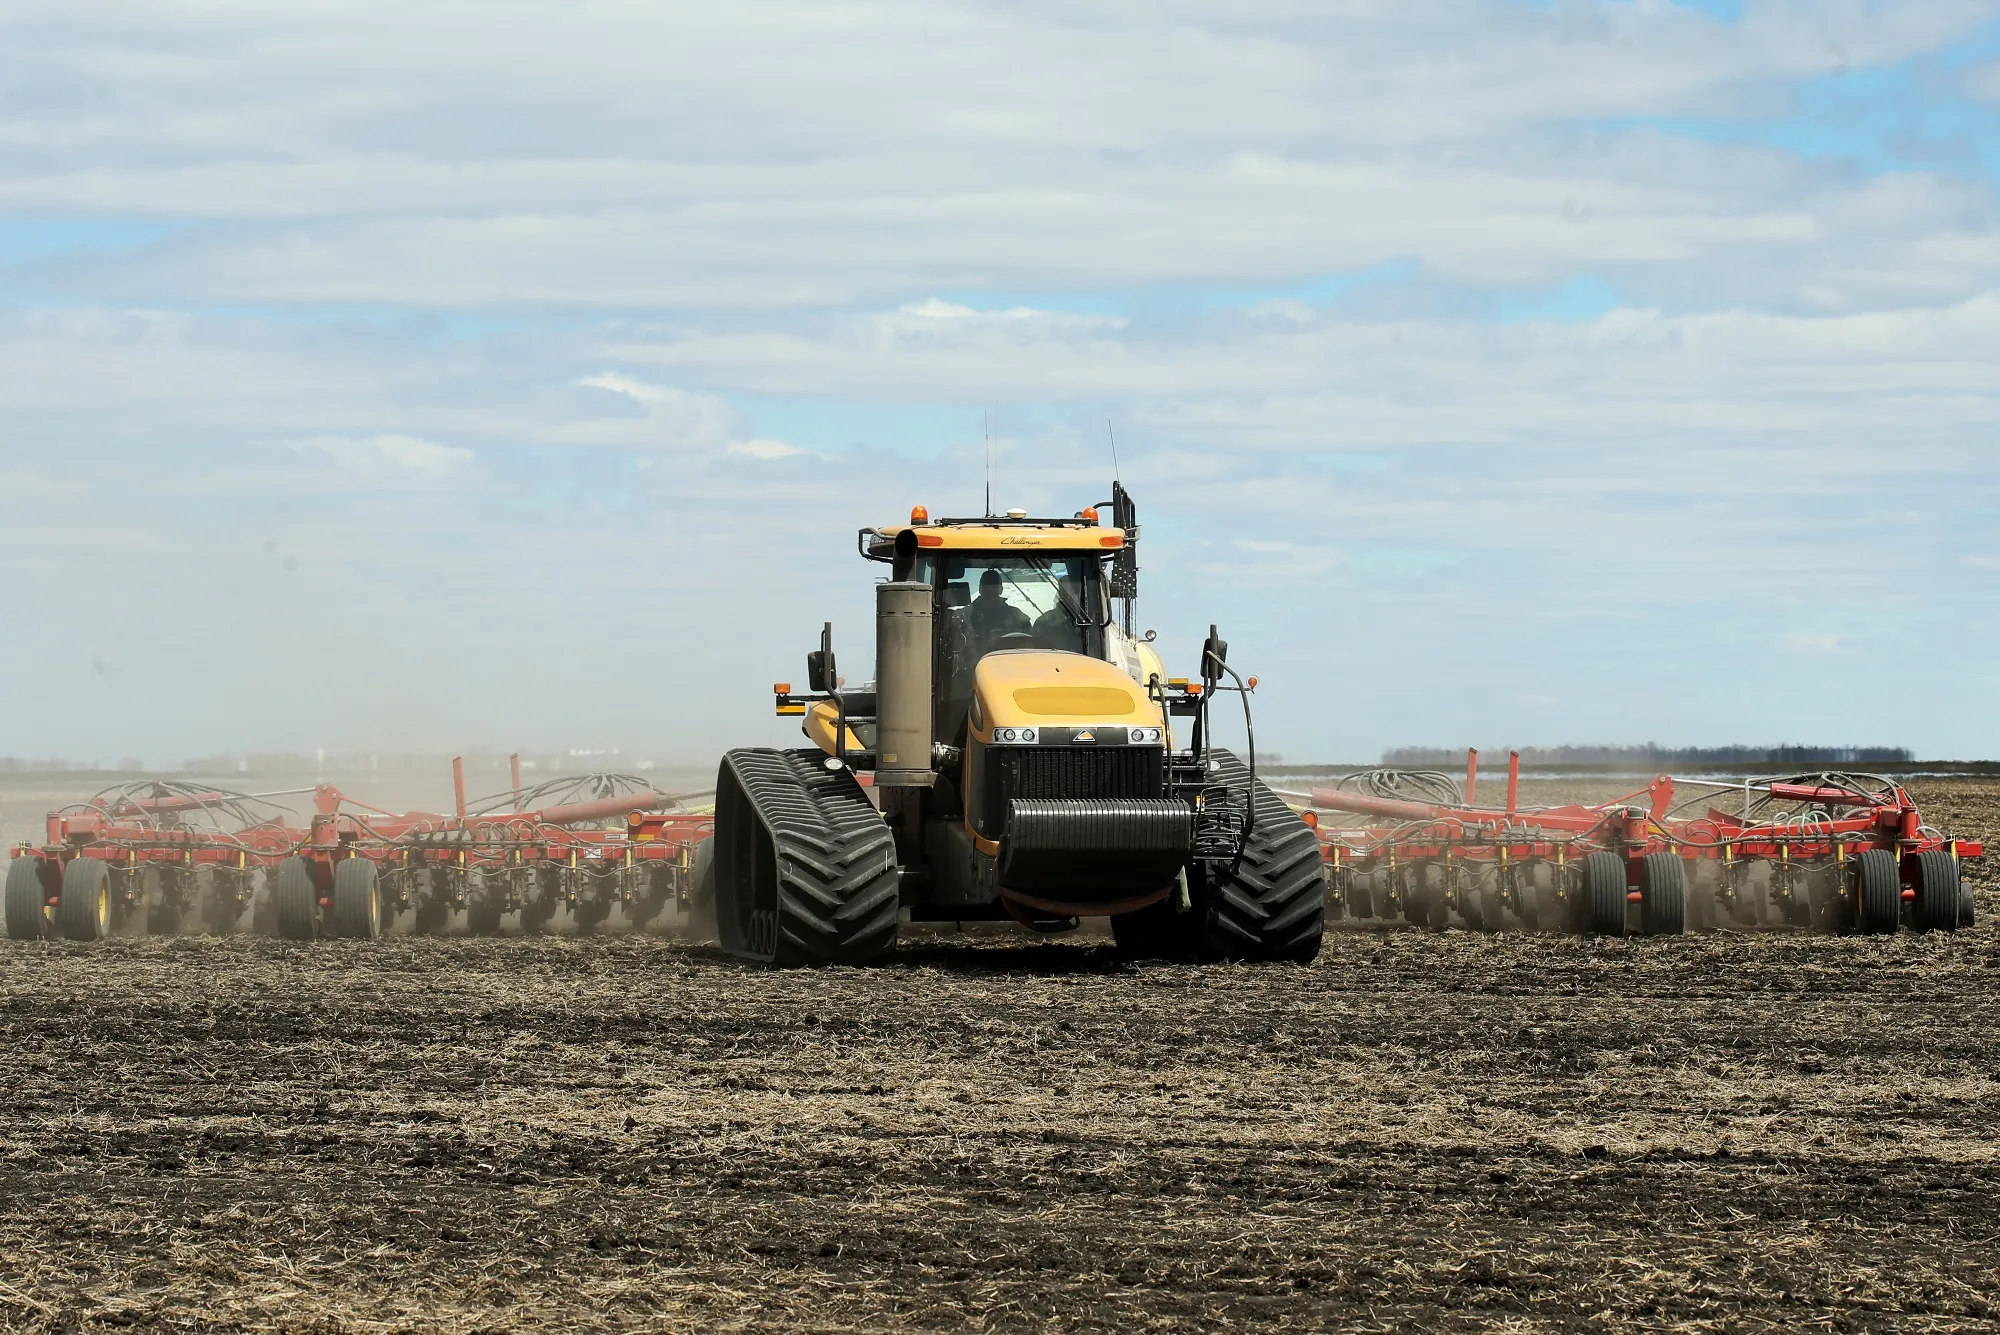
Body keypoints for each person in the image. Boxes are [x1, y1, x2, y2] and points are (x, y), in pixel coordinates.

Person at [969, 568, 1031, 649]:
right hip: (974, 660)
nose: (990, 592)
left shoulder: (1016, 616)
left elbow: (1030, 639)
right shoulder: (965, 616)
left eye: (994, 588)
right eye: (987, 588)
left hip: (1008, 658)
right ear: (980, 589)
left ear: (1000, 590)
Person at [1031, 572, 1088, 651]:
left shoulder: (1092, 622)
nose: (1074, 596)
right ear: (1061, 594)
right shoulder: (1045, 622)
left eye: (1077, 591)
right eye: (1069, 591)